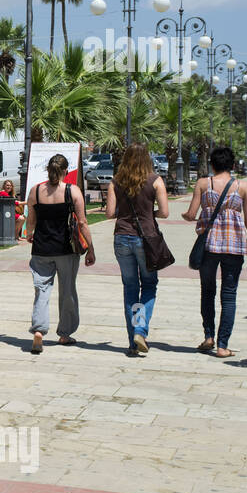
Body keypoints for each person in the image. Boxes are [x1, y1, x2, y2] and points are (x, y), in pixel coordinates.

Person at [181, 146, 247, 357]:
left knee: (207, 291)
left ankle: (208, 335)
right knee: (229, 295)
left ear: (212, 165)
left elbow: (192, 214)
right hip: (234, 247)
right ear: (233, 165)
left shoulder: (203, 183)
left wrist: (188, 216)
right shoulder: (242, 186)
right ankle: (222, 345)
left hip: (209, 246)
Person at [24, 153, 95, 353]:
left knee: (42, 290)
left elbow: (31, 220)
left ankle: (39, 330)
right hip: (66, 248)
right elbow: (82, 223)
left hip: (41, 248)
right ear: (65, 171)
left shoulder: (35, 191)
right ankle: (65, 333)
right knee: (67, 291)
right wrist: (90, 249)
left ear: (48, 169)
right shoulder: (72, 191)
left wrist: (30, 234)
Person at [107, 143, 170, 356]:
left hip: (122, 237)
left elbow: (108, 213)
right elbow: (164, 212)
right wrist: (148, 213)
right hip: (147, 240)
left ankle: (133, 342)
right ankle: (140, 330)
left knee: (130, 288)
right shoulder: (155, 181)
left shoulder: (116, 181)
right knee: (150, 284)